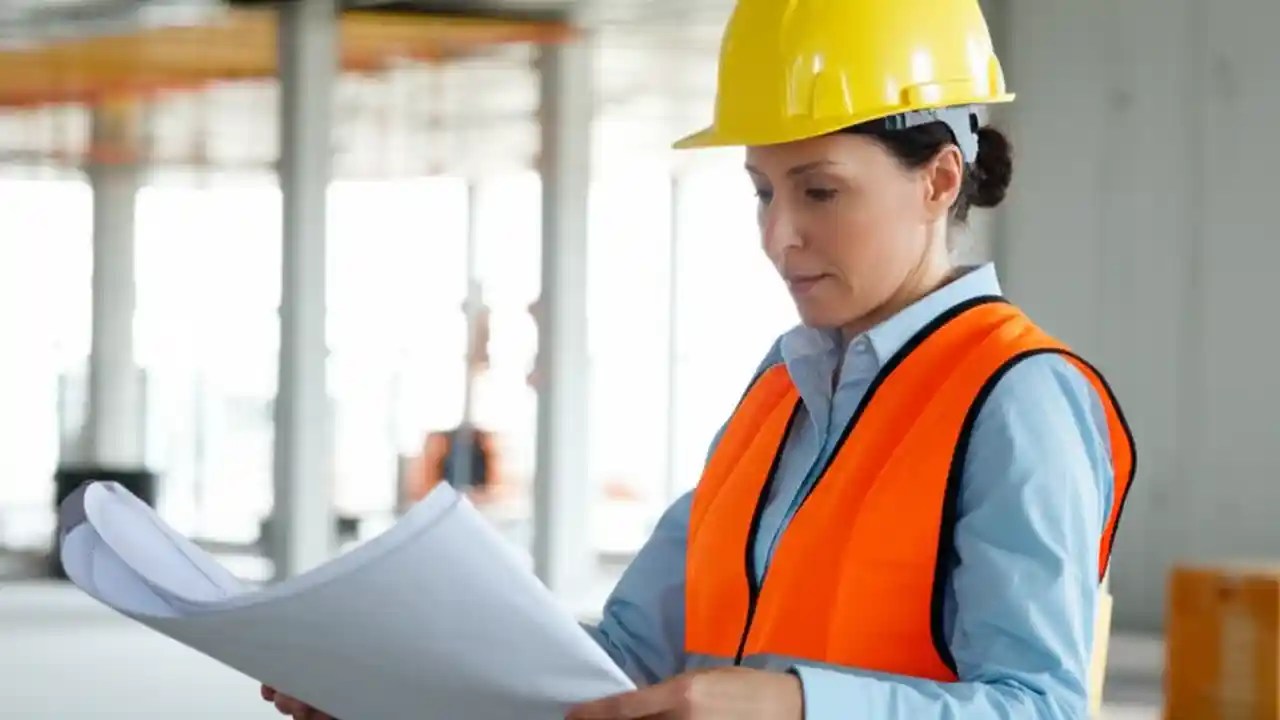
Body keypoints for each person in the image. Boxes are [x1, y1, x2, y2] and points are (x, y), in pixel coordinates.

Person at [262, 0, 1135, 718]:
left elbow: (1037, 707)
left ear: (940, 180)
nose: (777, 237)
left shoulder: (1017, 398)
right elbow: (623, 661)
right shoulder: (785, 393)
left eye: (820, 192)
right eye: (762, 192)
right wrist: (406, 698)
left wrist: (793, 706)